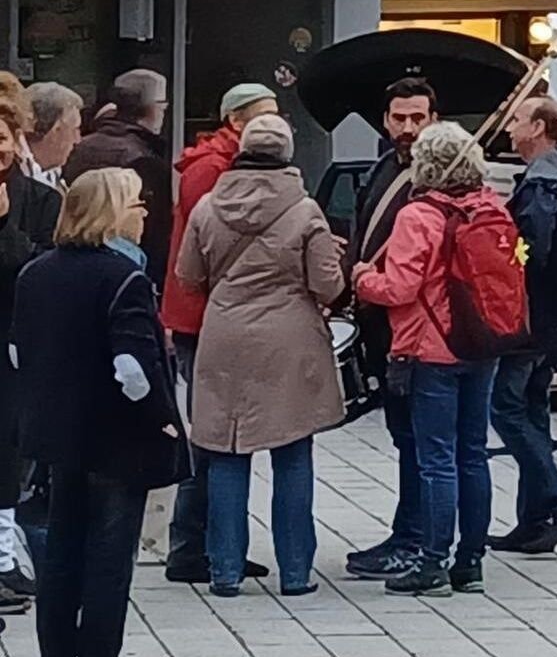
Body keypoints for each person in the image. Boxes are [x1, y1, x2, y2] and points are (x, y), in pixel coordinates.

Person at [14, 169, 189, 657]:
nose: (144, 213)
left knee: (63, 555)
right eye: (136, 204)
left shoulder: (36, 272)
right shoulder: (124, 277)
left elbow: (19, 351)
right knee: (109, 563)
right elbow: (133, 369)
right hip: (117, 442)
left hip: (60, 437)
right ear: (111, 213)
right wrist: (163, 419)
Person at [173, 115, 344, 598]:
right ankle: (295, 573)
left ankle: (224, 570)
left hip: (225, 333)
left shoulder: (209, 206)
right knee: (292, 453)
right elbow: (327, 284)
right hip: (290, 338)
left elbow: (188, 275)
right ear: (287, 155)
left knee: (227, 451)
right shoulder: (306, 211)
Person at [354, 122, 511, 597]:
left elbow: (398, 288)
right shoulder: (492, 207)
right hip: (482, 344)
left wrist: (363, 278)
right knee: (473, 454)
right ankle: (471, 562)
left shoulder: (418, 215)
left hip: (430, 348)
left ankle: (432, 561)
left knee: (435, 459)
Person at [160, 82, 281, 586]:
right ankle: (193, 546)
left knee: (217, 437)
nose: (277, 126)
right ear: (236, 122)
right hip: (206, 318)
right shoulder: (213, 171)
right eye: (265, 117)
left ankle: (209, 544)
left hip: (210, 315)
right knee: (212, 439)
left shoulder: (216, 165)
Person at [491, 96, 557, 556]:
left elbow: (532, 253)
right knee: (531, 408)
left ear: (537, 127)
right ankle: (535, 519)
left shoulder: (540, 189)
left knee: (506, 408)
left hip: (534, 316)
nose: (510, 129)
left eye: (516, 120)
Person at [345, 77, 439, 581]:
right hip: (384, 325)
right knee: (406, 436)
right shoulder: (383, 169)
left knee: (421, 441)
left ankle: (417, 540)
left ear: (433, 119)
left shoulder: (439, 180)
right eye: (399, 118)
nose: (407, 127)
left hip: (419, 328)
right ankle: (412, 533)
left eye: (417, 117)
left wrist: (371, 280)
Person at [0, 74, 61, 611]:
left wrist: (4, 226)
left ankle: (2, 553)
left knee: (9, 446)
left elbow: (39, 270)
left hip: (14, 345)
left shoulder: (39, 199)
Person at [64, 68, 173, 282]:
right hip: (127, 268)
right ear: (151, 108)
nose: (164, 111)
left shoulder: (80, 147)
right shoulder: (145, 160)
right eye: (163, 105)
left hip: (75, 259)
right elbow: (157, 233)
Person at [23, 80, 84, 192]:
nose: (78, 140)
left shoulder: (55, 175)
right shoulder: (9, 170)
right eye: (75, 129)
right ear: (55, 129)